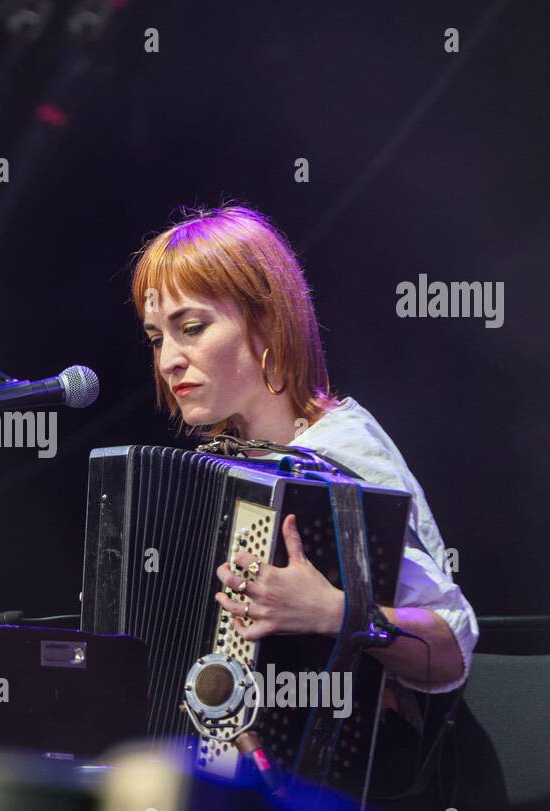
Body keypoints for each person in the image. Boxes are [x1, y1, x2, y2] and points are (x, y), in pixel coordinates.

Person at [130, 203, 477, 695]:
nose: (167, 360)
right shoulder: (219, 472)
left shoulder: (339, 450)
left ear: (267, 323)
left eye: (191, 329)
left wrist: (333, 612)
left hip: (337, 771)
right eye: (155, 338)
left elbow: (451, 648)